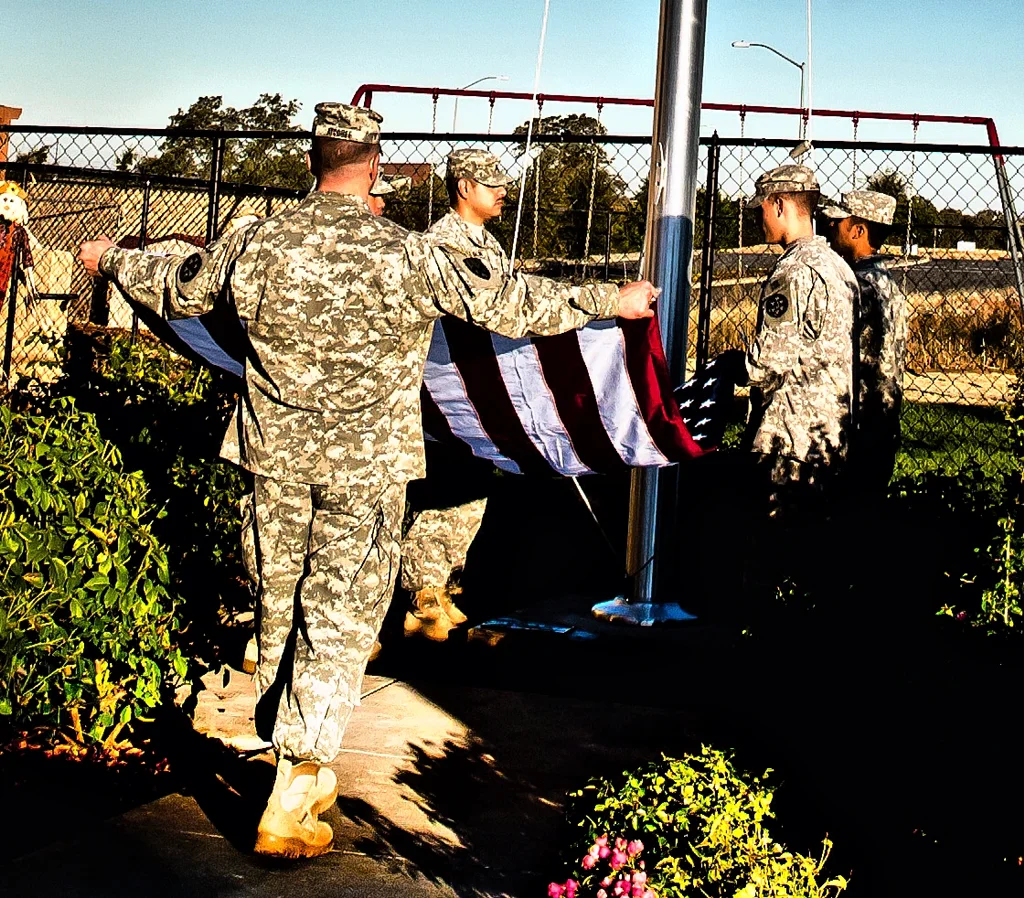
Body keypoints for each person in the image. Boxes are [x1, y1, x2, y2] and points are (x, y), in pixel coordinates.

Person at [77, 102, 659, 861]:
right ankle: (297, 778)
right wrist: (607, 299)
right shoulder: (407, 255)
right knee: (339, 618)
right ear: (374, 164)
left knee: (280, 606)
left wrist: (110, 257)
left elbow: (178, 281)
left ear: (313, 161)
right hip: (365, 470)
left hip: (273, 461)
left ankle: (290, 750)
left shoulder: (255, 240)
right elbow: (508, 303)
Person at [399, 148, 513, 642]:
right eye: (491, 184)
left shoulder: (488, 245)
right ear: (464, 188)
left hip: (476, 399)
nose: (502, 192)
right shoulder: (441, 245)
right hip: (444, 394)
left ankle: (439, 586)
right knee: (443, 491)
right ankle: (421, 597)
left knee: (471, 491)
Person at [733, 164, 859, 603]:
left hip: (787, 438)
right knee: (815, 566)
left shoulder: (792, 272)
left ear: (781, 205)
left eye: (762, 208)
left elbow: (768, 362)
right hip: (829, 434)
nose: (759, 218)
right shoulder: (839, 269)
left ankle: (756, 645)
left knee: (766, 563)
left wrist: (731, 367)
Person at [821, 189, 906, 493]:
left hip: (857, 425)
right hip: (881, 421)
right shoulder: (887, 283)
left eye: (838, 223)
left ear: (858, 231)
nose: (830, 228)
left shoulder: (855, 287)